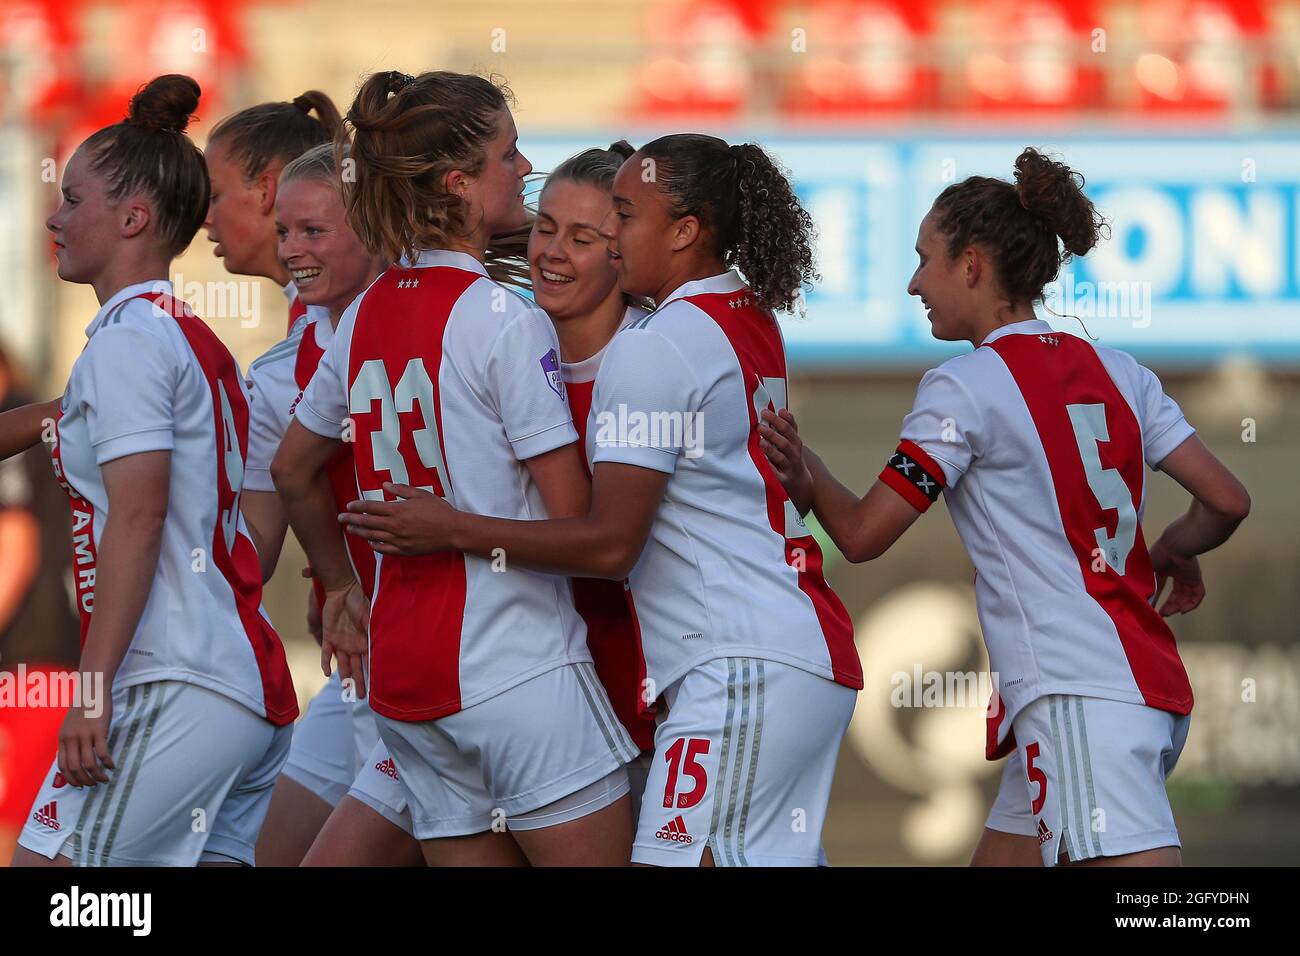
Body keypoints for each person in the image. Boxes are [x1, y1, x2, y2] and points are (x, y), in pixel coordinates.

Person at [340, 134, 861, 867]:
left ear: (681, 232)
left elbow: (611, 544)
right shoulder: (710, 319)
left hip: (665, 678)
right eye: (547, 226)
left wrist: (449, 529)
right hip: (561, 685)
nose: (567, 247)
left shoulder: (650, 350)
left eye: (604, 225)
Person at [755, 148, 1251, 867]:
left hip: (1076, 698)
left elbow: (862, 536)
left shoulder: (966, 385)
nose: (913, 281)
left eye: (925, 258)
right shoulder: (1120, 370)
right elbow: (1228, 500)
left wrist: (809, 472)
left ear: (973, 263)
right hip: (1133, 690)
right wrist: (1176, 546)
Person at [273, 70, 637, 867]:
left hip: (409, 690)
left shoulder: (363, 311)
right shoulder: (502, 320)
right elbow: (581, 529)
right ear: (459, 181)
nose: (525, 167)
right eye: (509, 154)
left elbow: (292, 469)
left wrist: (341, 585)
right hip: (516, 673)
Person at [10, 74, 297, 867]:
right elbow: (57, 421)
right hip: (225, 682)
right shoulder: (178, 336)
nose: (53, 216)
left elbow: (137, 518)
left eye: (72, 199)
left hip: (174, 681)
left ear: (133, 217)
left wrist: (90, 691)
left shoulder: (129, 344)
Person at [233, 143, 401, 866]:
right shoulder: (280, 372)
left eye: (313, 231)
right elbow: (262, 532)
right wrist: (334, 582)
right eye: (285, 232)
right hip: (363, 654)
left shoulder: (428, 322)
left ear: (373, 229)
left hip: (443, 654)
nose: (292, 250)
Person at [0, 342, 80, 865]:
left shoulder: (15, 424)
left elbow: (14, 545)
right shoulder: (34, 422)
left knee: (18, 828)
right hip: (54, 659)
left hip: (32, 660)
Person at [203, 90, 341, 336]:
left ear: (265, 191)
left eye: (215, 197)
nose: (205, 219)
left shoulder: (329, 318)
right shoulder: (318, 309)